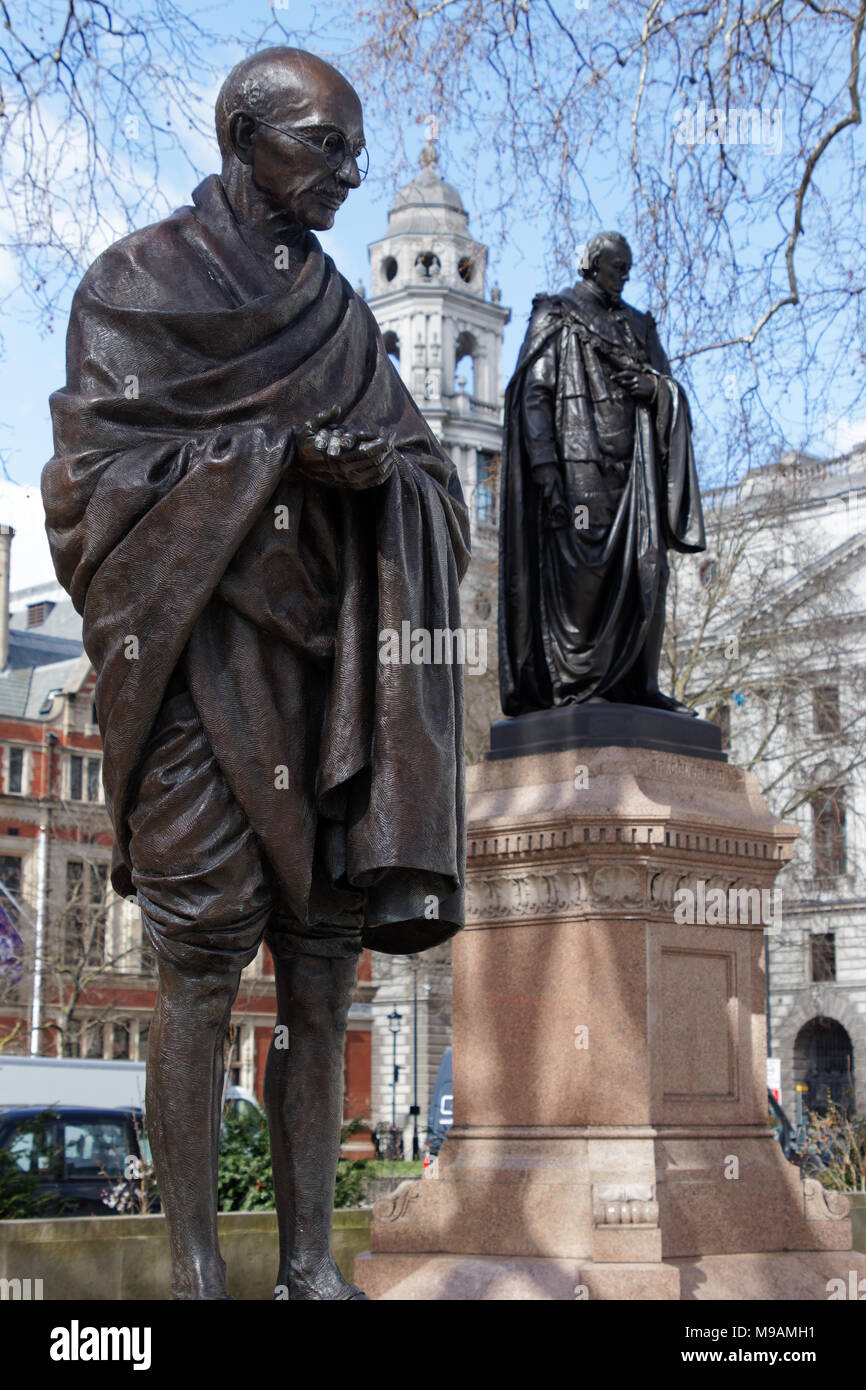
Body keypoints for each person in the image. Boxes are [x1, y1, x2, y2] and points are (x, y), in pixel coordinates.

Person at [42, 46, 469, 1300]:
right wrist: (275, 458)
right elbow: (88, 493)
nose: (348, 170)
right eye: (323, 145)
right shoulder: (138, 283)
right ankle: (188, 1279)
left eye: (353, 149)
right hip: (200, 671)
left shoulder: (341, 314)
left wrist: (376, 475)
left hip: (330, 692)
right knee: (198, 959)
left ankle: (309, 1264)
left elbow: (431, 480)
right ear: (245, 136)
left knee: (320, 972)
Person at [498, 230, 705, 717]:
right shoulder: (556, 313)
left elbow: (670, 388)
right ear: (592, 264)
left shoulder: (639, 325)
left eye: (629, 268)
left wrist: (653, 389)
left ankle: (641, 685)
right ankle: (577, 686)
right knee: (582, 578)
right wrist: (546, 467)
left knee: (650, 569)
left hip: (636, 477)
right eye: (617, 266)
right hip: (578, 470)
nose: (624, 275)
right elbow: (535, 394)